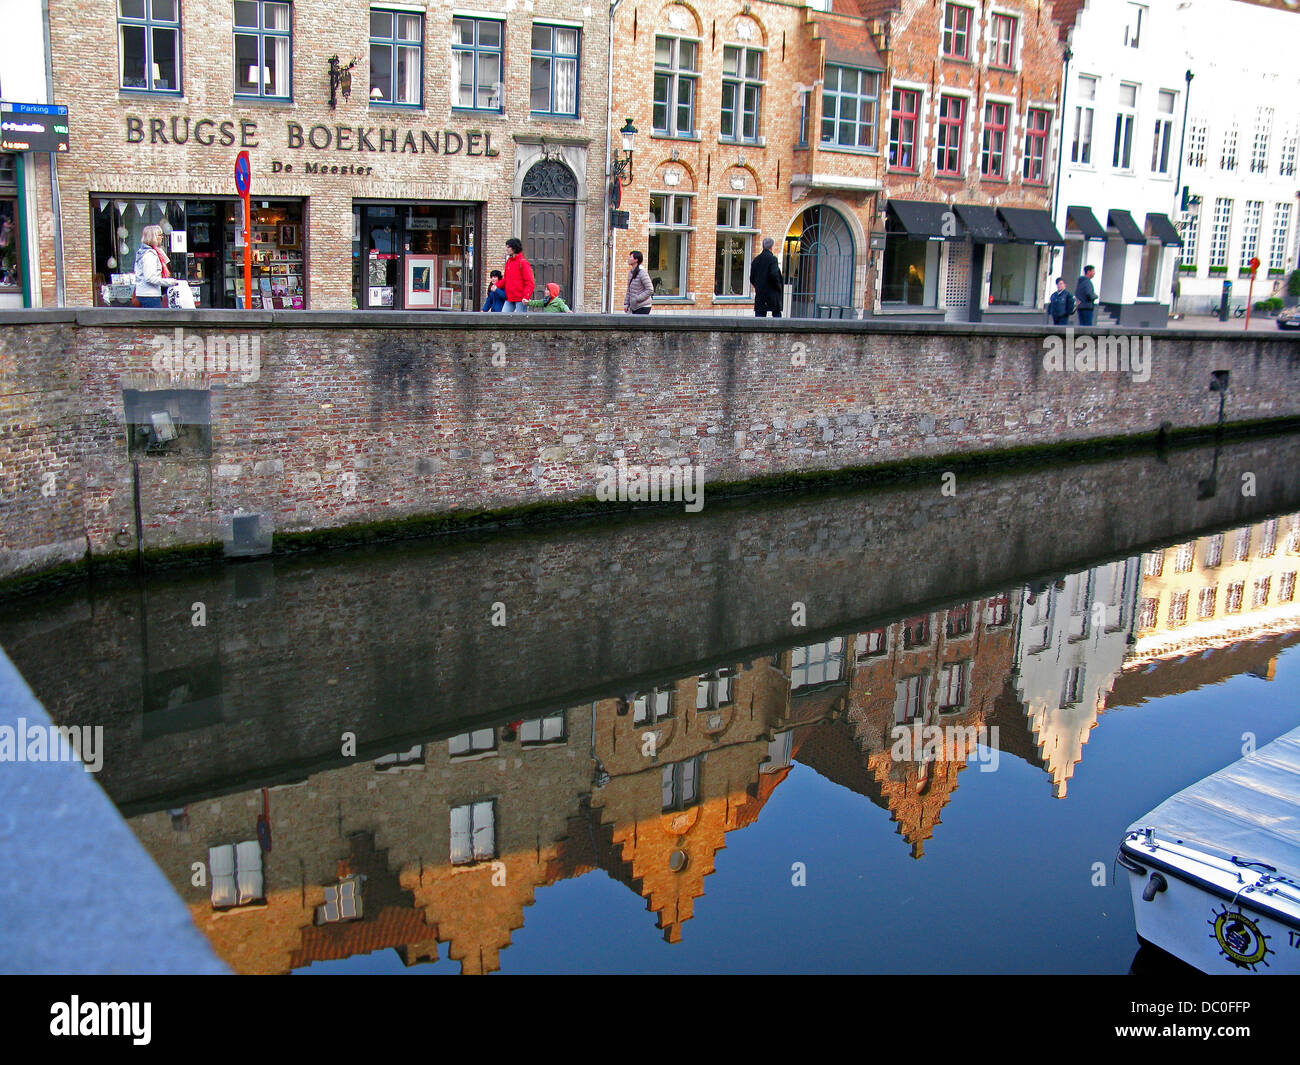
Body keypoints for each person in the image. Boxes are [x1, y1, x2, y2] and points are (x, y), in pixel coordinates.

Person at [133, 224, 179, 308]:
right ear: (153, 237)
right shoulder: (149, 255)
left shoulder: (145, 252)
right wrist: (170, 282)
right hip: (149, 295)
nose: (162, 237)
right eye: (160, 235)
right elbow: (150, 277)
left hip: (145, 293)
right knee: (156, 320)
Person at [750, 236, 784, 317]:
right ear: (771, 247)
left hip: (760, 294)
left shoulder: (756, 260)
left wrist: (758, 286)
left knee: (759, 319)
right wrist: (778, 286)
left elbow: (752, 277)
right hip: (772, 294)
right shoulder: (773, 259)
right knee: (776, 316)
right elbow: (774, 275)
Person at [502, 238, 534, 312]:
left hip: (521, 298)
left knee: (520, 320)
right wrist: (497, 285)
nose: (506, 249)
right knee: (503, 318)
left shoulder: (523, 262)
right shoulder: (509, 262)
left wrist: (526, 296)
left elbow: (529, 282)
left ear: (514, 248)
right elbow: (506, 279)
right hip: (510, 297)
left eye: (508, 247)